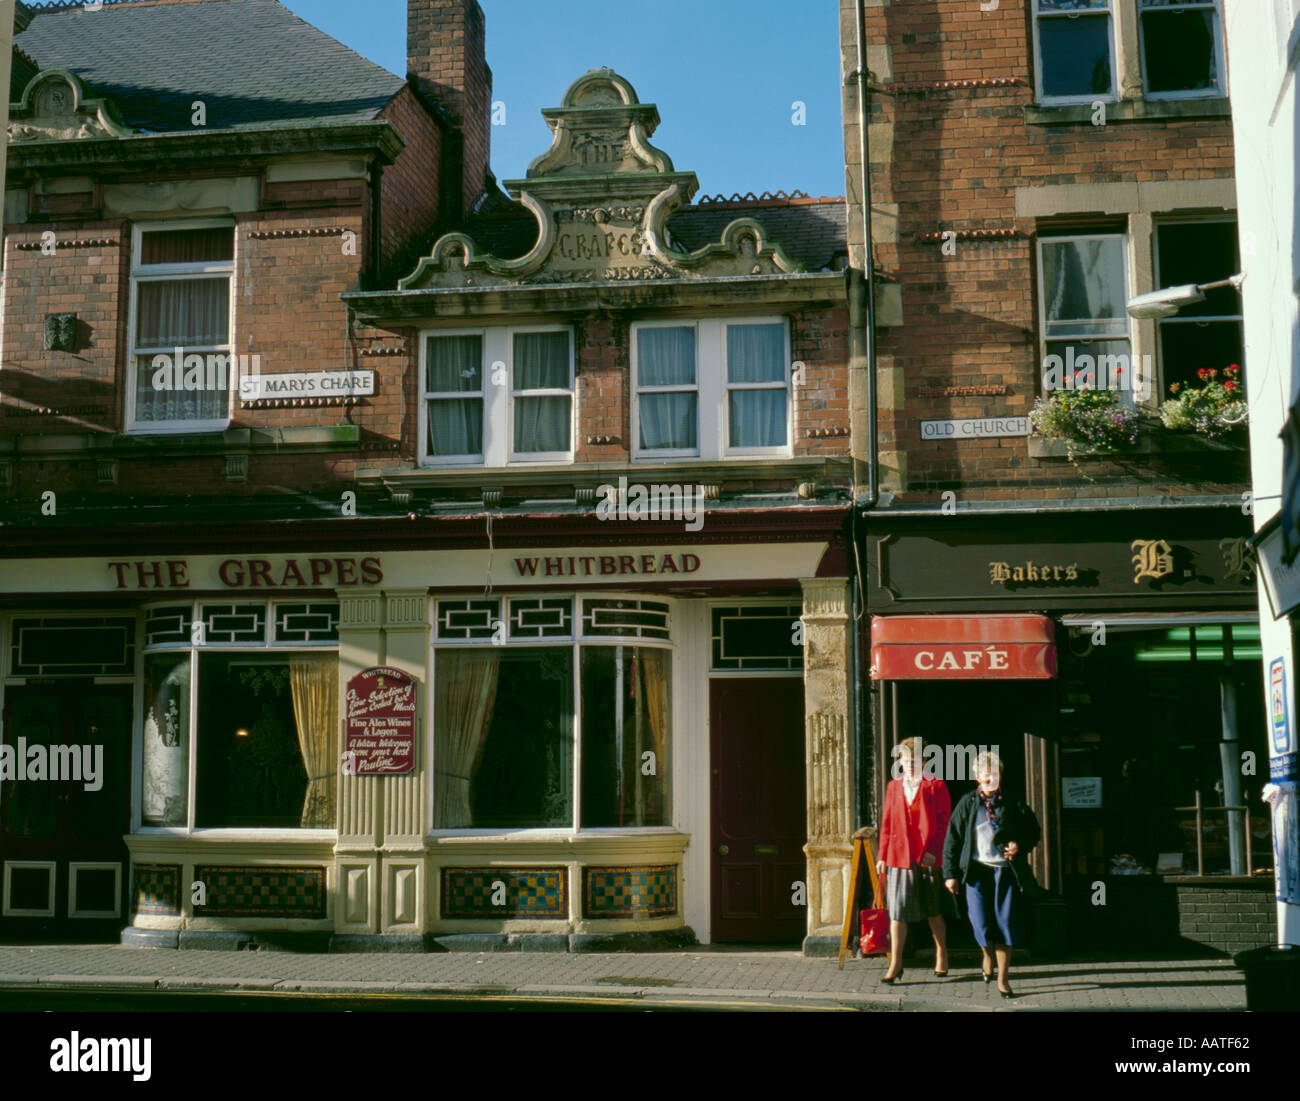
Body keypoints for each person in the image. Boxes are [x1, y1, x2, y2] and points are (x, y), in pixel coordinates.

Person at [943, 750, 1041, 999]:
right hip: (976, 872)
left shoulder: (1012, 800)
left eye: (995, 774)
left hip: (1004, 873)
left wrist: (1019, 844)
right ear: (977, 777)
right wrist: (950, 874)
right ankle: (986, 956)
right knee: (981, 925)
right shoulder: (968, 802)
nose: (991, 779)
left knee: (1005, 926)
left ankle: (1003, 980)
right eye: (986, 775)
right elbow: (952, 839)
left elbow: (1033, 830)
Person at [876, 737, 951, 983]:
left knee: (933, 909)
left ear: (924, 760)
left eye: (914, 760)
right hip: (899, 856)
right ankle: (896, 963)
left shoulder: (936, 786)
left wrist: (934, 850)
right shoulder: (893, 787)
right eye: (905, 760)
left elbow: (943, 824)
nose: (909, 764)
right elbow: (887, 825)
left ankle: (941, 952)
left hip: (927, 856)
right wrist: (882, 856)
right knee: (897, 913)